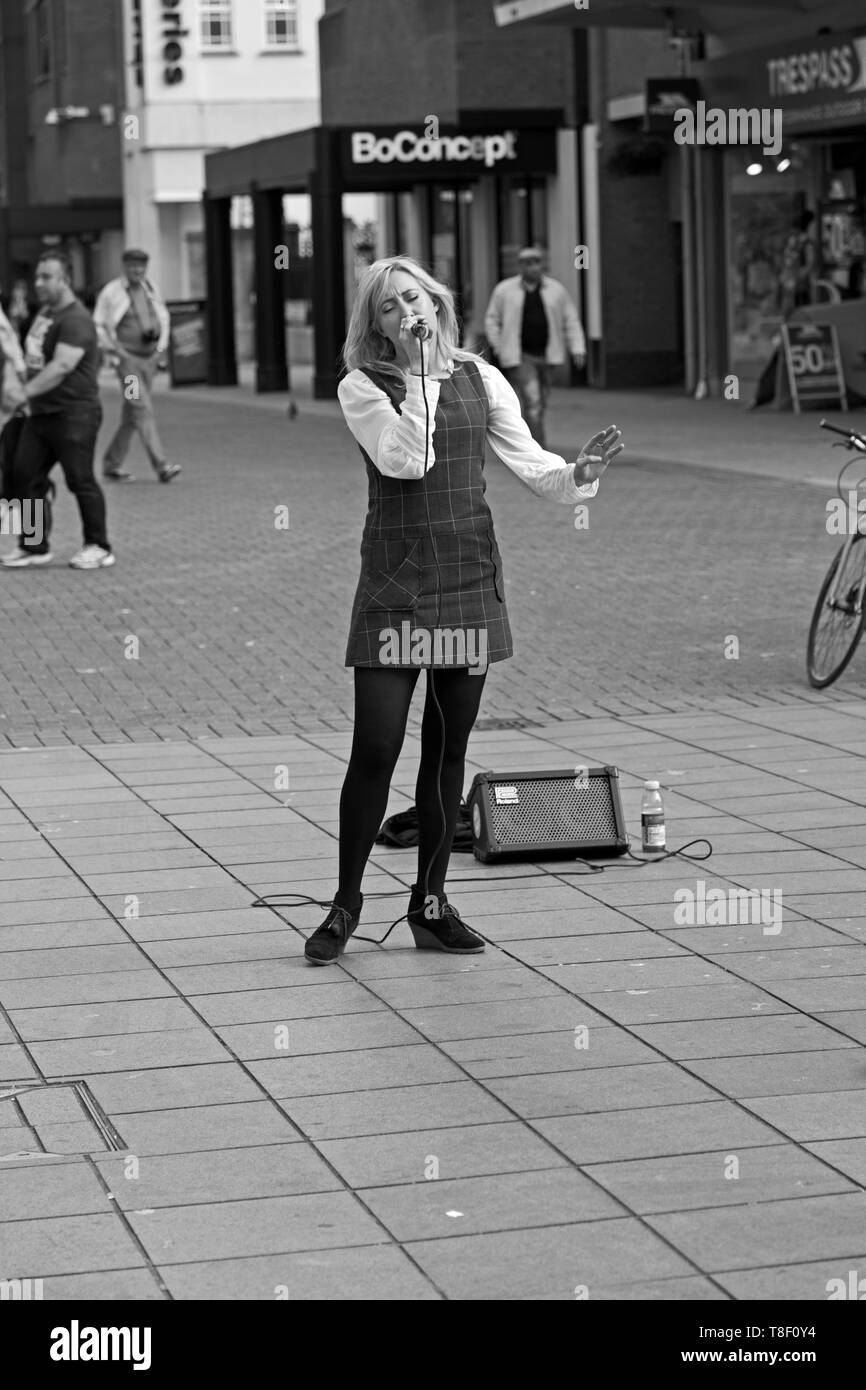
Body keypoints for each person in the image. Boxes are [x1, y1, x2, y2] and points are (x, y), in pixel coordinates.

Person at [302, 254, 623, 965]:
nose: (405, 312)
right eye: (389, 307)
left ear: (437, 303)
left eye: (412, 298)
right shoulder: (363, 386)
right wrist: (420, 378)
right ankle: (345, 906)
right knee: (377, 749)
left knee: (447, 751)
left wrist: (580, 476)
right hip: (396, 590)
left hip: (467, 582)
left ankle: (431, 905)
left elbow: (535, 467)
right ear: (376, 325)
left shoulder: (481, 375)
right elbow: (405, 462)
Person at [2, 251, 114, 570]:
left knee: (80, 480)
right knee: (24, 476)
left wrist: (23, 393)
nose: (39, 284)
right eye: (37, 277)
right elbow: (35, 359)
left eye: (46, 277)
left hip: (73, 414)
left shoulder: (75, 319)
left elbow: (62, 365)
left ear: (64, 280)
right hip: (40, 414)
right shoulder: (46, 313)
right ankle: (35, 546)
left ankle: (99, 546)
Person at [484, 246, 586, 447]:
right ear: (520, 266)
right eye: (528, 263)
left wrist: (578, 348)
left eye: (536, 262)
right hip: (521, 356)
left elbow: (570, 320)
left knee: (540, 402)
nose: (533, 267)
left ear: (542, 265)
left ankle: (525, 439)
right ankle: (538, 449)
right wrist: (498, 346)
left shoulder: (556, 290)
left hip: (548, 356)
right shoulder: (505, 290)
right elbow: (492, 320)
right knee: (533, 402)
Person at [93, 248, 180, 483]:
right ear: (124, 266)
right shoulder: (112, 292)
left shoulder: (150, 288)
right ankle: (161, 465)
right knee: (141, 407)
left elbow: (163, 318)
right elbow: (99, 324)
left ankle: (111, 463)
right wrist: (115, 350)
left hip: (149, 361)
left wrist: (161, 350)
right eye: (133, 266)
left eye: (141, 266)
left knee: (132, 416)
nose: (137, 270)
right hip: (127, 363)